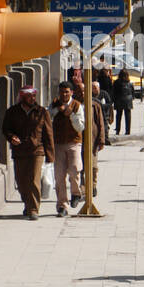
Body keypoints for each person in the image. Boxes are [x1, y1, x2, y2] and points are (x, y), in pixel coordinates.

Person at [2, 85, 55, 219]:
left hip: (37, 151)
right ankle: (27, 203)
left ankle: (33, 209)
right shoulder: (12, 112)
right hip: (19, 151)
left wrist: (50, 155)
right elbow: (6, 129)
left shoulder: (42, 112)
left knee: (33, 180)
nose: (32, 98)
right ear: (22, 97)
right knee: (21, 181)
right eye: (29, 96)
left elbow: (48, 134)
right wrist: (11, 137)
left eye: (34, 96)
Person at [49, 81, 86, 216]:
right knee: (59, 176)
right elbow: (48, 119)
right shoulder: (54, 104)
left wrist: (71, 114)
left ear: (71, 92)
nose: (64, 94)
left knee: (75, 169)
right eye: (62, 92)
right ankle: (62, 206)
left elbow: (80, 127)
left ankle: (76, 193)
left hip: (74, 143)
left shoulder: (76, 105)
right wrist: (56, 111)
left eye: (66, 92)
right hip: (58, 144)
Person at [78, 81, 107, 200]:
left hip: (92, 140)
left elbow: (100, 123)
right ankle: (83, 188)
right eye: (80, 91)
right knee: (80, 167)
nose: (83, 93)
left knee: (93, 166)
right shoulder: (75, 105)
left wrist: (102, 139)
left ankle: (93, 186)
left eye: (85, 91)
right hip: (78, 141)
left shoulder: (95, 105)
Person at [112, 69, 134, 136]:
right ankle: (128, 131)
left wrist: (113, 100)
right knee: (128, 116)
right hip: (128, 101)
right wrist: (131, 98)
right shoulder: (129, 83)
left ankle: (118, 130)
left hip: (119, 100)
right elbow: (133, 92)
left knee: (118, 116)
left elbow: (113, 92)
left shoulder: (116, 82)